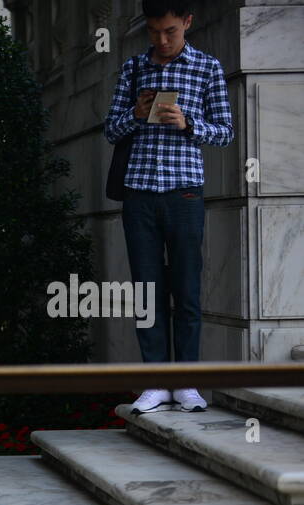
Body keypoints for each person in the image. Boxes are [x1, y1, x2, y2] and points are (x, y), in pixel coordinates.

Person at [103, 0, 233, 414]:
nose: (162, 40)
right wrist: (135, 115)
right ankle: (155, 382)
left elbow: (226, 131)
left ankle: (187, 381)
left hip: (184, 194)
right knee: (147, 291)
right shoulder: (133, 68)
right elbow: (110, 129)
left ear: (187, 22)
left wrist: (189, 123)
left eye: (170, 32)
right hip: (139, 193)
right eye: (155, 32)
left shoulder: (207, 68)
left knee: (187, 290)